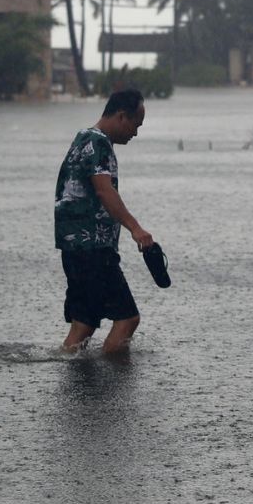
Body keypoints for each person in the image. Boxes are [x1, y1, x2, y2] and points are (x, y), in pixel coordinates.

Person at [54, 89, 154, 355]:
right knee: (127, 319)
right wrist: (136, 228)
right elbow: (104, 189)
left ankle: (76, 379)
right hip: (93, 249)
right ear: (122, 117)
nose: (135, 133)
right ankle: (113, 388)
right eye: (136, 125)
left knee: (84, 324)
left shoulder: (82, 138)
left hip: (73, 248)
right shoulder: (99, 144)